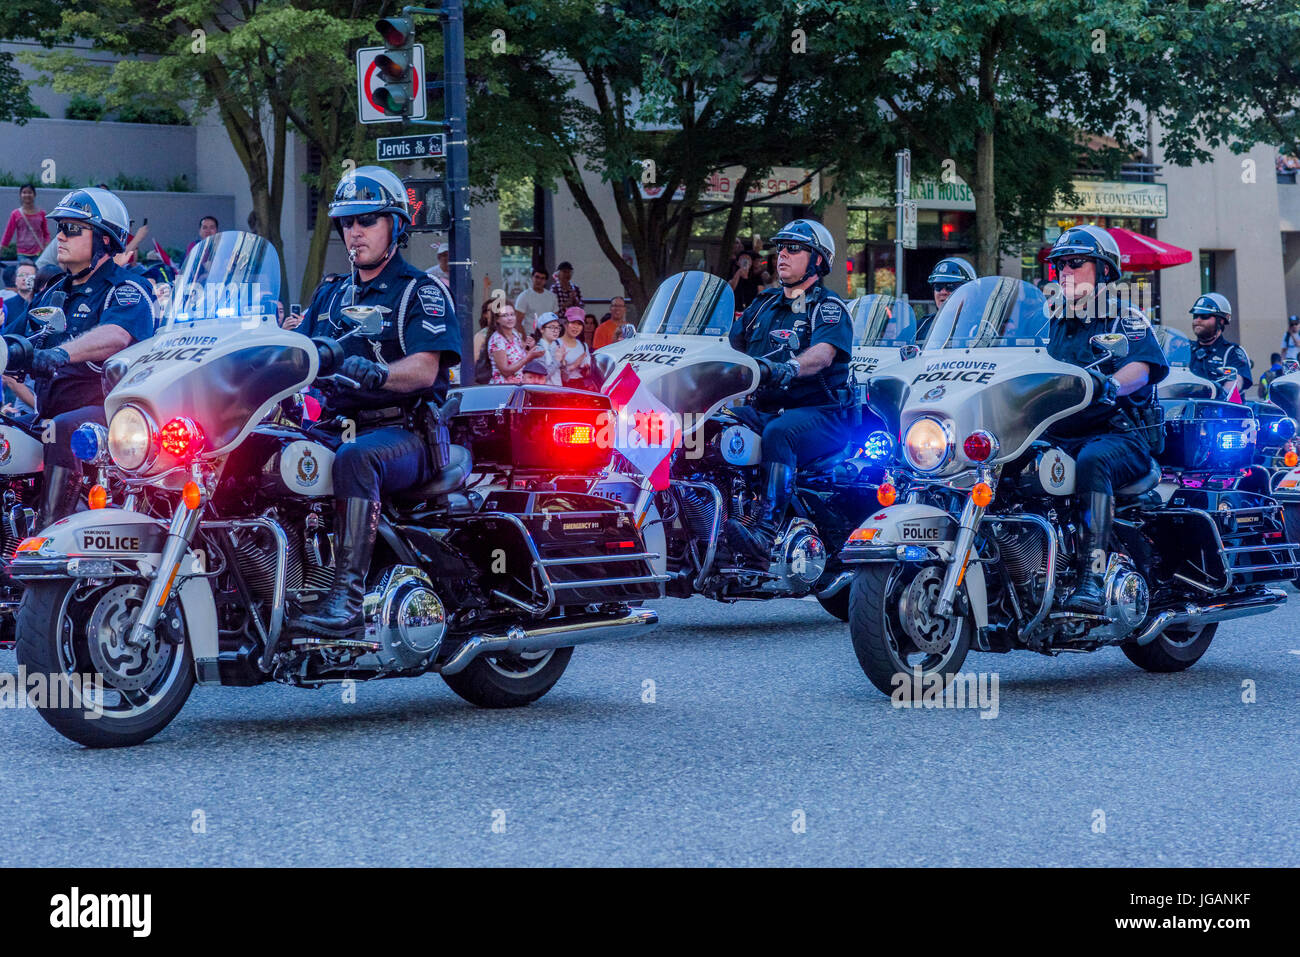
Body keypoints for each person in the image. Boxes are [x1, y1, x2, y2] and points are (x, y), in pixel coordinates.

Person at [289, 165, 461, 640]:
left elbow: (427, 368)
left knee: (356, 458)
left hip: (404, 434)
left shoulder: (418, 292)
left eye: (367, 220)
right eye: (347, 222)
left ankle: (345, 597)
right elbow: (296, 357)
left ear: (396, 226)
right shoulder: (328, 294)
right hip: (330, 425)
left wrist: (383, 372)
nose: (354, 232)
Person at [5, 188, 155, 526]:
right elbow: (11, 338)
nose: (60, 236)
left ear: (104, 240)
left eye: (72, 228)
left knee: (63, 429)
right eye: (60, 228)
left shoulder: (127, 289)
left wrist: (59, 353)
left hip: (110, 418)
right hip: (48, 412)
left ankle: (49, 533)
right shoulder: (54, 291)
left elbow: (115, 335)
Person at [1042, 224, 1169, 614]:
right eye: (1060, 264)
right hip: (1061, 435)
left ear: (1103, 271)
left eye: (1076, 263)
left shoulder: (1123, 316)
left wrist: (1111, 383)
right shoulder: (1051, 322)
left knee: (1092, 461)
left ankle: (1093, 575)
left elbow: (1142, 369)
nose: (1064, 271)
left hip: (1119, 436)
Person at [722, 218, 854, 563]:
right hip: (765, 408)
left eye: (794, 249)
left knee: (780, 433)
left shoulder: (826, 306)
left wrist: (789, 367)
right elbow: (726, 347)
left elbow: (823, 355)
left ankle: (765, 533)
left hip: (820, 412)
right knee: (712, 424)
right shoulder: (762, 305)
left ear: (818, 260)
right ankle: (713, 519)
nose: (783, 254)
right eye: (780, 247)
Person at [1187, 293, 1251, 402]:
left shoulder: (1232, 352)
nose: (1198, 320)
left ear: (1221, 321)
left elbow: (1235, 382)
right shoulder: (1186, 350)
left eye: (1204, 316)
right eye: (1195, 316)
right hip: (1185, 412)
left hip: (1219, 413)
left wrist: (1222, 394)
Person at [915, 256, 976, 344]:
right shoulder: (922, 326)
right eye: (938, 286)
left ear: (969, 292)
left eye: (951, 287)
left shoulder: (980, 325)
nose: (943, 292)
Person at [488, 302, 542, 384]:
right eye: (505, 315)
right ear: (497, 319)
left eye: (512, 314)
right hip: (504, 388)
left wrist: (529, 346)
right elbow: (505, 372)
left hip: (519, 386)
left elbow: (523, 353)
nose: (510, 318)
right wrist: (528, 357)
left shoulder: (515, 333)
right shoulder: (497, 340)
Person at [2, 184, 50, 264]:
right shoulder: (15, 214)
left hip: (38, 252)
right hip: (22, 253)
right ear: (20, 195)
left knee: (38, 275)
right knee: (23, 275)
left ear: (34, 195)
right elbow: (9, 232)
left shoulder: (41, 213)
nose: (27, 195)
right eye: (24, 192)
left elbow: (45, 232)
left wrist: (47, 245)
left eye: (30, 192)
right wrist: (2, 246)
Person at [559, 307, 594, 388]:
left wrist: (587, 370)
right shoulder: (556, 344)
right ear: (565, 324)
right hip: (561, 387)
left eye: (579, 324)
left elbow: (587, 373)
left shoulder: (583, 345)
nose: (576, 327)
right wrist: (574, 365)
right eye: (573, 322)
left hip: (580, 386)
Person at [514, 266, 555, 333]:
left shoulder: (552, 297)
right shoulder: (524, 296)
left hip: (548, 336)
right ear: (532, 278)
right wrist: (524, 338)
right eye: (537, 277)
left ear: (545, 281)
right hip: (530, 335)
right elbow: (517, 322)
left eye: (542, 278)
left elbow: (555, 319)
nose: (539, 280)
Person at [0, 261, 37, 328]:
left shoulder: (40, 303)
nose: (24, 278)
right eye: (21, 275)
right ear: (15, 280)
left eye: (28, 275)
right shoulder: (6, 306)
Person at [534, 312, 565, 384]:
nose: (556, 330)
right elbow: (542, 377)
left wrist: (563, 364)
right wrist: (557, 360)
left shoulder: (557, 346)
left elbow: (565, 378)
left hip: (558, 391)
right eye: (551, 327)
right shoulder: (538, 350)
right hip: (545, 392)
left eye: (557, 327)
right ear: (541, 329)